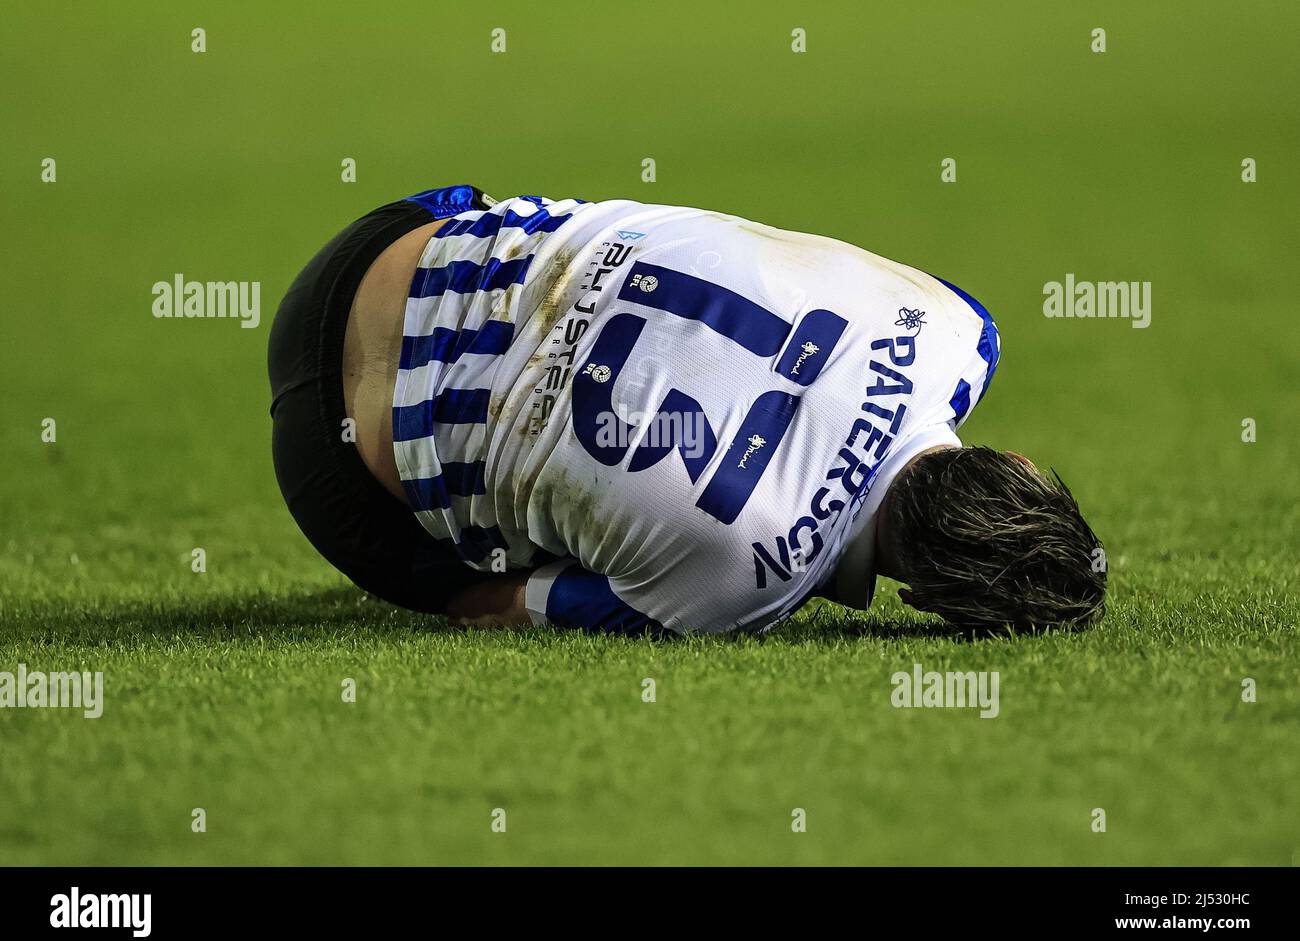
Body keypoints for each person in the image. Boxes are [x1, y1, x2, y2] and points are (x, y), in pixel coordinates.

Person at [268, 185, 1105, 635]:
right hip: (334, 473)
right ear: (923, 598)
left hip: (378, 244)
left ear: (1019, 462)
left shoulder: (965, 334)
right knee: (479, 574)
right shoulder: (735, 594)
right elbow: (501, 605)